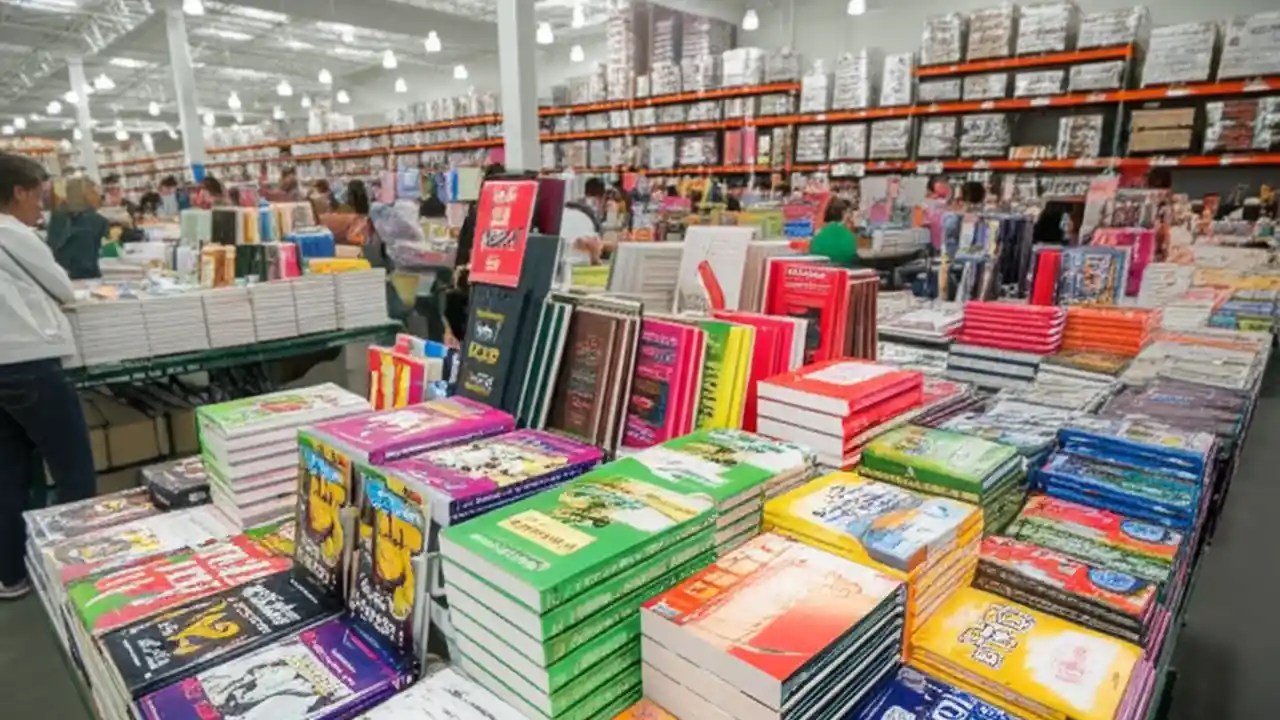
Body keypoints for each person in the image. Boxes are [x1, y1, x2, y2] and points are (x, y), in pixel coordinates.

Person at [0, 153, 97, 599]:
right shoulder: (15, 235)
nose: (42, 206)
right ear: (18, 192)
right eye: (38, 195)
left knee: (10, 472)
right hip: (30, 361)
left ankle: (11, 575)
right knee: (72, 467)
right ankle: (80, 571)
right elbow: (60, 287)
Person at [46, 176, 109, 280]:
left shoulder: (56, 218)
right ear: (85, 196)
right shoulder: (97, 221)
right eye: (95, 192)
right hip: (89, 276)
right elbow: (107, 248)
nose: (99, 196)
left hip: (61, 276)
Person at [809, 198, 859, 267]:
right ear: (843, 213)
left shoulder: (818, 235)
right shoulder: (849, 236)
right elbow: (852, 255)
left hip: (823, 273)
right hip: (844, 272)